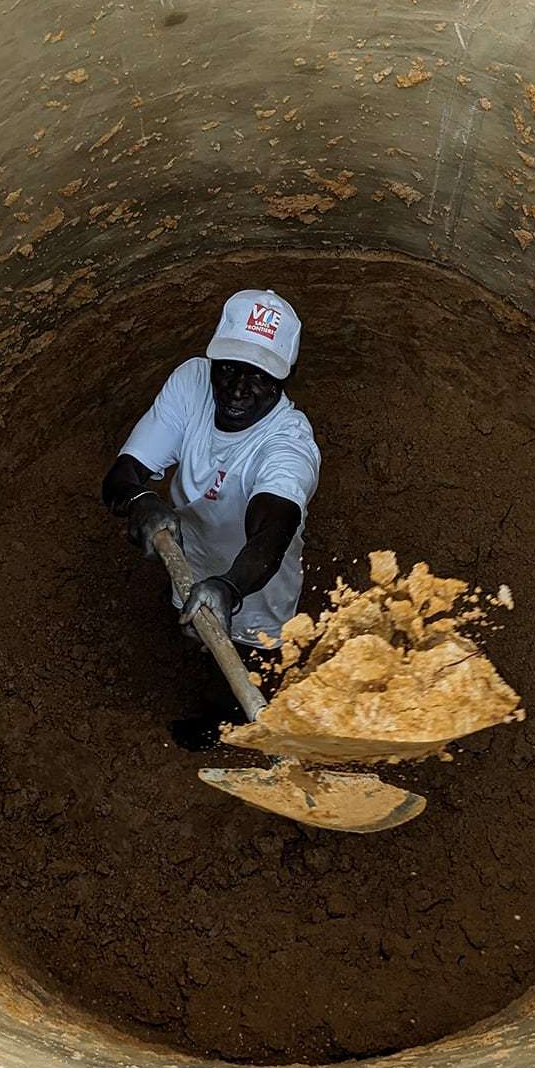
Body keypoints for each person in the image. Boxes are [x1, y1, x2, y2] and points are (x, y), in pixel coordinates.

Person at [102, 289, 321, 750]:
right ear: (213, 357)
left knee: (247, 656)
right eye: (230, 368)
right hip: (188, 553)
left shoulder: (288, 446)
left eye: (260, 377)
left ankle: (226, 725)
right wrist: (142, 497)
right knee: (191, 613)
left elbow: (273, 532)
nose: (239, 388)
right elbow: (123, 475)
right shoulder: (191, 381)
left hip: (253, 584)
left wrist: (228, 588)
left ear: (287, 380)